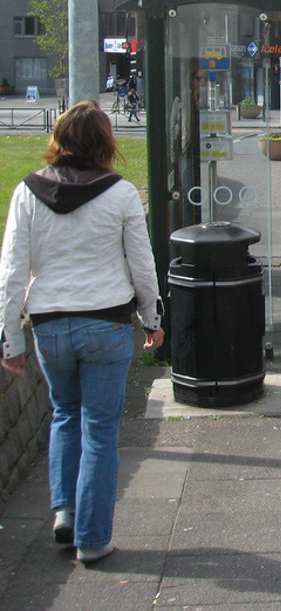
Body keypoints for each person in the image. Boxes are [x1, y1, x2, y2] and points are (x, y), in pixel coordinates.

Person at [0, 100, 164, 565]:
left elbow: (11, 272)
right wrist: (152, 319)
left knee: (65, 414)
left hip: (49, 324)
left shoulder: (27, 192)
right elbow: (142, 264)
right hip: (107, 322)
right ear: (105, 143)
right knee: (99, 428)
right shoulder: (121, 193)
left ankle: (65, 512)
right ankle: (93, 539)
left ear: (59, 139)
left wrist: (10, 339)